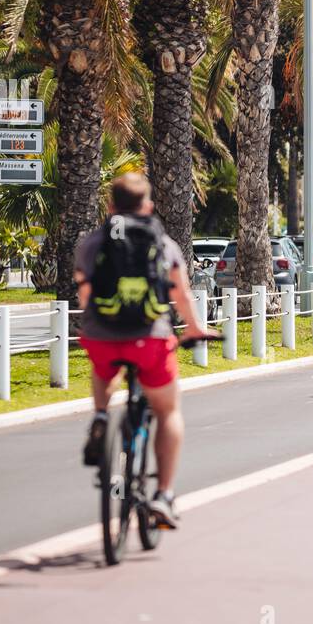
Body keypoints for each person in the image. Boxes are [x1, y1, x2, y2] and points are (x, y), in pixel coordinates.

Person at [74, 172, 219, 529]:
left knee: (105, 367)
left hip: (103, 337)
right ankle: (164, 495)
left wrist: (101, 323)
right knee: (168, 411)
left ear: (110, 206)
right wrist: (196, 327)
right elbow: (180, 294)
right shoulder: (163, 243)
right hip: (150, 339)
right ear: (148, 205)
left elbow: (85, 295)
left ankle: (102, 416)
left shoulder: (93, 242)